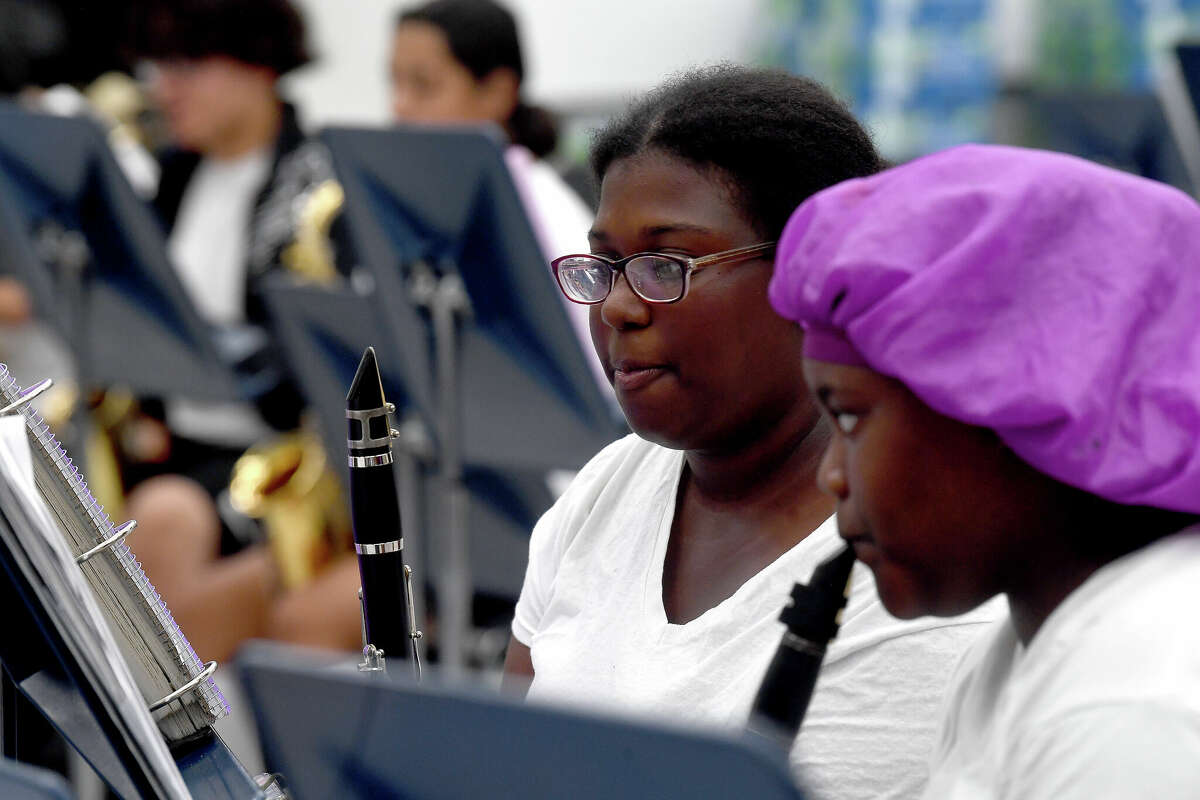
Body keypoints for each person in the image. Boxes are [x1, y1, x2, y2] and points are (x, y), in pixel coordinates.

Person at [501, 65, 1002, 800]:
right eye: (605, 267)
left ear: (811, 275)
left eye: (666, 264)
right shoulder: (609, 486)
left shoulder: (914, 574)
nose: (617, 308)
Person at [769, 144, 1200, 798]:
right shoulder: (1017, 655)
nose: (832, 475)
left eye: (850, 418)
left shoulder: (1129, 706)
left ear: (1018, 405)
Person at [117, 0, 362, 663]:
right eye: (158, 66)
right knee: (159, 519)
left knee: (157, 574)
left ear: (258, 64)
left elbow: (328, 365)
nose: (163, 86)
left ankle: (161, 713)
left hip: (289, 465)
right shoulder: (173, 177)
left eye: (187, 65)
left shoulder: (321, 188)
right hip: (184, 453)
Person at [389, 0, 605, 391]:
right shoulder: (417, 201)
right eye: (395, 82)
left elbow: (596, 377)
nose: (399, 106)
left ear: (497, 93)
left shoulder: (544, 208)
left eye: (423, 86)